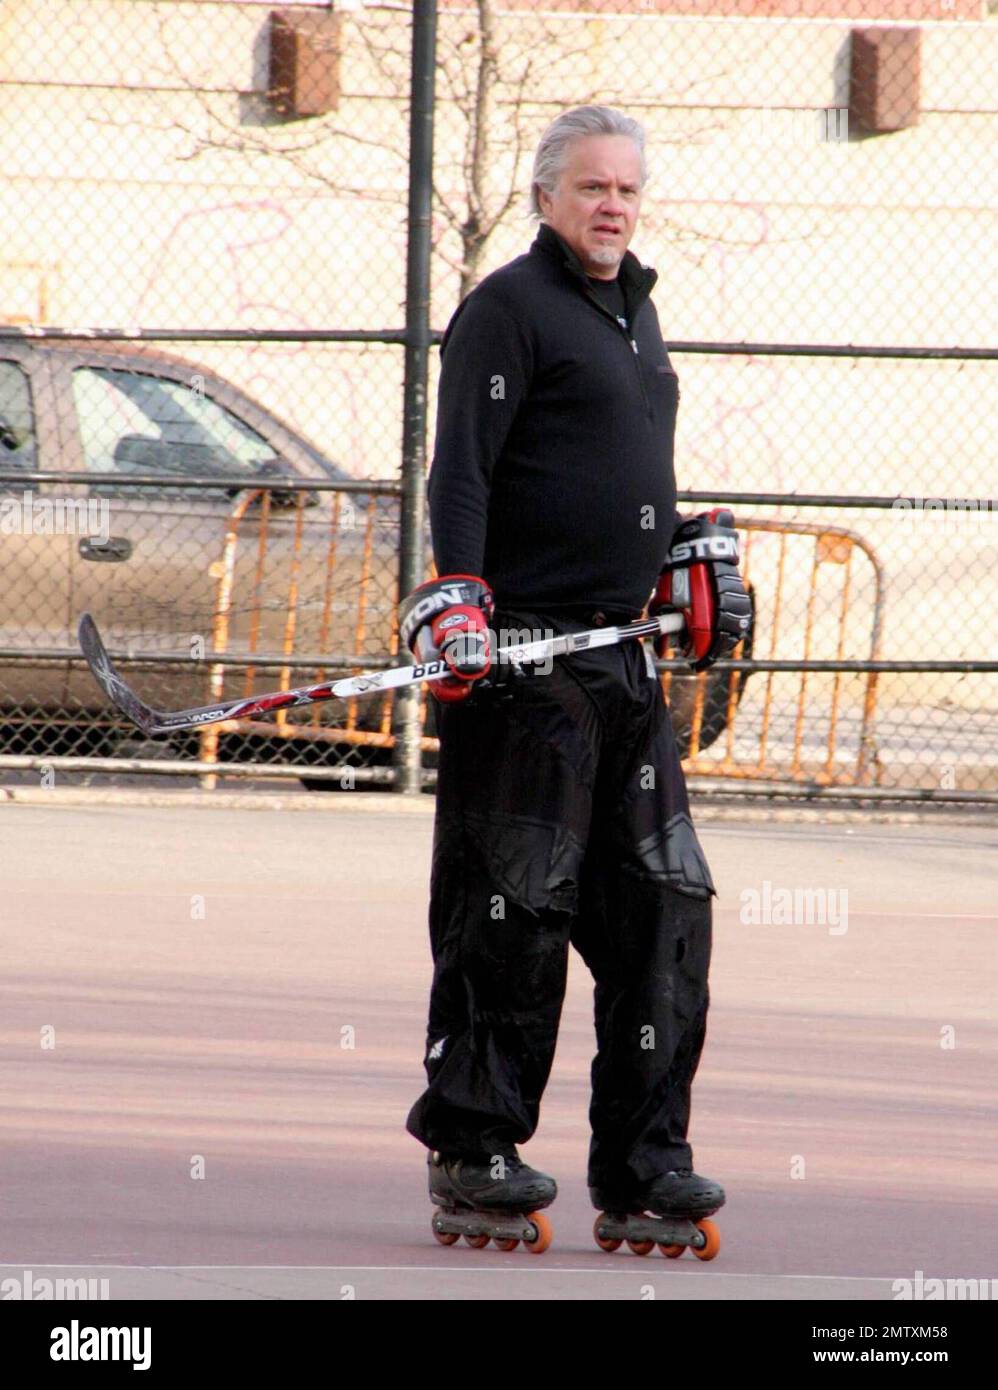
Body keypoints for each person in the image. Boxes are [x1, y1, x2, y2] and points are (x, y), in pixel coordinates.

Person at [399, 105, 751, 1231]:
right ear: (546, 195)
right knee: (512, 910)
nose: (612, 206)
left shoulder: (632, 314)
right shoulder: (505, 310)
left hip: (619, 664)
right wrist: (462, 591)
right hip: (524, 667)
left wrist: (673, 546)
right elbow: (462, 471)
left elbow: (611, 465)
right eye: (592, 187)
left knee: (663, 908)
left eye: (627, 191)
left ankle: (644, 1163)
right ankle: (473, 1146)